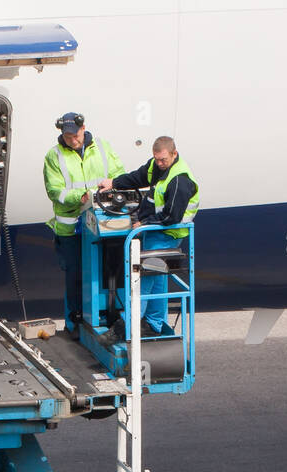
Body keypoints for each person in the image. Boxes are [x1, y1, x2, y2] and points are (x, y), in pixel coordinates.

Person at [112, 137, 199, 335]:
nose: (159, 163)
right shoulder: (157, 166)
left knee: (144, 277)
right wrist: (114, 183)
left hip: (166, 235)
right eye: (156, 159)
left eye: (163, 160)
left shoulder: (180, 180)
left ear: (174, 154)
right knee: (158, 278)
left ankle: (128, 325)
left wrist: (144, 223)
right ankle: (155, 323)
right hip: (154, 233)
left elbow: (171, 216)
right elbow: (139, 177)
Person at [43, 112, 124, 325]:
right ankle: (76, 318)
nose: (73, 140)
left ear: (84, 128)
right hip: (71, 229)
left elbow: (118, 174)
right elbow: (55, 192)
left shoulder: (102, 147)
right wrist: (81, 197)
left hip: (102, 223)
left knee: (109, 271)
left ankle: (110, 314)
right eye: (68, 137)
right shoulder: (55, 156)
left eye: (76, 135)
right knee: (76, 275)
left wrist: (112, 184)